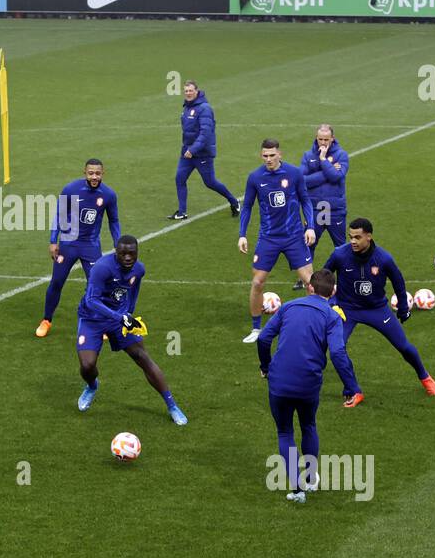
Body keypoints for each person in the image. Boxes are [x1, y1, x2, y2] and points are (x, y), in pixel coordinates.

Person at [257, 269, 361, 503]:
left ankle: (297, 490)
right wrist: (349, 385)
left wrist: (265, 366)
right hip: (308, 382)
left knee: (285, 432)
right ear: (332, 291)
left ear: (310, 287)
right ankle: (311, 478)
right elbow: (337, 352)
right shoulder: (332, 316)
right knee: (308, 425)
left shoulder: (288, 307)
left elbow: (264, 338)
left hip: (279, 380)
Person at [75, 236, 187, 426]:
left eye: (132, 253)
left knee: (142, 357)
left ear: (137, 252)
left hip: (120, 318)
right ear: (116, 252)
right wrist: (120, 317)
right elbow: (91, 301)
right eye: (123, 253)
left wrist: (129, 313)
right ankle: (92, 386)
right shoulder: (102, 268)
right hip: (92, 318)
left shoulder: (139, 269)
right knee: (87, 365)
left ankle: (172, 406)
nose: (128, 257)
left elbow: (133, 290)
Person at [323, 218, 435, 398]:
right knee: (336, 349)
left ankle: (425, 377)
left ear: (368, 237)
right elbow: (324, 276)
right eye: (350, 237)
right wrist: (328, 302)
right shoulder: (340, 254)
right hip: (347, 310)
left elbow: (398, 283)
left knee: (404, 346)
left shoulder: (384, 259)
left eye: (357, 237)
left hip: (376, 310)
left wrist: (403, 308)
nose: (353, 241)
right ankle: (352, 390)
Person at [238, 139, 315, 343]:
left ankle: (317, 322)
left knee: (311, 282)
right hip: (268, 238)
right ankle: (256, 329)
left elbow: (306, 201)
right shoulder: (255, 177)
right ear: (261, 155)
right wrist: (242, 234)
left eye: (272, 155)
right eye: (265, 156)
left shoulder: (294, 173)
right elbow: (247, 207)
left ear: (279, 154)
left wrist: (310, 227)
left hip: (294, 236)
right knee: (257, 282)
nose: (269, 159)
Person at [36, 158, 121, 338]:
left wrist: (117, 242)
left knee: (97, 286)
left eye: (98, 173)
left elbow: (113, 220)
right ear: (85, 173)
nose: (94, 176)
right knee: (57, 282)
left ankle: (100, 323)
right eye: (91, 173)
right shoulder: (72, 190)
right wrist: (53, 240)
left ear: (103, 173)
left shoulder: (108, 195)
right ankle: (46, 320)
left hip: (90, 246)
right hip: (68, 244)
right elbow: (59, 215)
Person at [168, 81, 239, 221]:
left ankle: (234, 202)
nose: (188, 93)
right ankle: (182, 212)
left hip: (201, 153)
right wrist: (187, 149)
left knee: (210, 182)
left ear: (197, 91)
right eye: (186, 91)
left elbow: (205, 133)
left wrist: (193, 149)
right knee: (179, 178)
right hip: (187, 152)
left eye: (190, 90)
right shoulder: (187, 107)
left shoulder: (204, 108)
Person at [295, 123, 349, 289]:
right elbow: (301, 180)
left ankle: (345, 278)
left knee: (341, 247)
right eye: (320, 139)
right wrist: (328, 171)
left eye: (326, 139)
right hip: (316, 208)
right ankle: (306, 278)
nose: (323, 143)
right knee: (309, 243)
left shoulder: (341, 155)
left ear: (332, 138)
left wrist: (323, 160)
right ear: (316, 138)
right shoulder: (307, 155)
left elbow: (336, 177)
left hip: (335, 210)